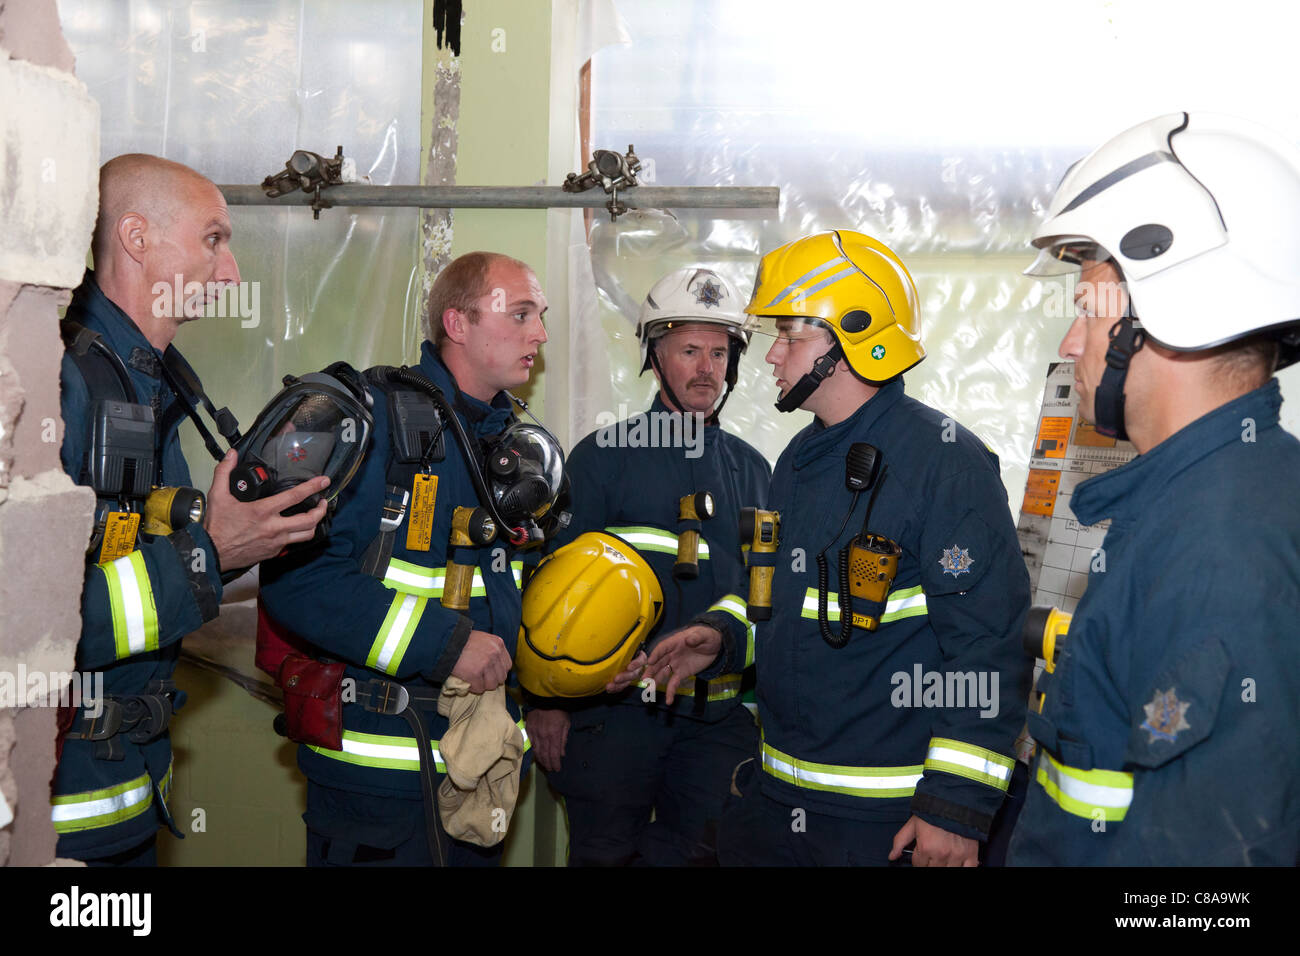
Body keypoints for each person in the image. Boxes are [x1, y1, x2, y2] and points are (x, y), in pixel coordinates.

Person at [631, 231, 1032, 866]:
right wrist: (721, 636)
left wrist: (954, 807)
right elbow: (785, 598)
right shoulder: (800, 459)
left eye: (791, 335)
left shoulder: (946, 464)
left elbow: (988, 644)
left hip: (885, 822)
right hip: (779, 803)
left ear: (851, 341)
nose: (771, 356)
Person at [1006, 113, 1300, 865]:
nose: (1073, 344)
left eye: (1086, 310)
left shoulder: (1218, 547)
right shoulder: (1215, 497)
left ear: (1163, 312)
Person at [54, 154, 329, 865]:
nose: (232, 274)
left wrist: (260, 542)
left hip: (129, 796)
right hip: (61, 820)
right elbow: (36, 624)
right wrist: (213, 550)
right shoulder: (62, 385)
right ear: (137, 238)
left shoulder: (150, 385)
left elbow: (149, 573)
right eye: (214, 239)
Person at [259, 251, 550, 866]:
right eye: (521, 314)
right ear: (458, 323)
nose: (540, 334)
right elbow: (297, 585)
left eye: (541, 317)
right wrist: (444, 644)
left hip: (479, 773)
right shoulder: (370, 420)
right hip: (377, 787)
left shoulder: (513, 449)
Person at [526, 268, 770, 865]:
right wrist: (546, 699)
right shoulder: (600, 459)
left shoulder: (756, 473)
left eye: (719, 352)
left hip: (716, 722)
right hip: (614, 722)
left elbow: (768, 599)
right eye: (690, 350)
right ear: (655, 356)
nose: (707, 368)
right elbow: (548, 592)